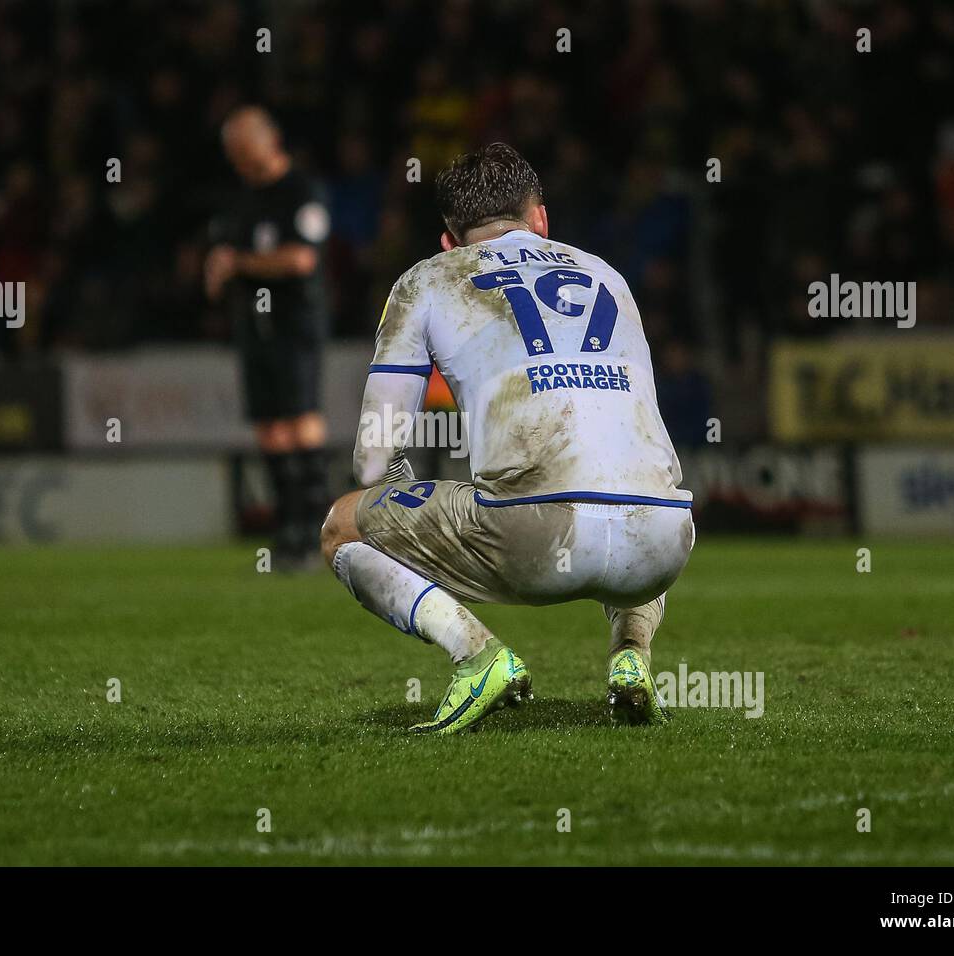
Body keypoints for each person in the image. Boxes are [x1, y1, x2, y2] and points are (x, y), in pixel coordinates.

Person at [320, 143, 694, 734]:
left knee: (342, 526)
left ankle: (479, 658)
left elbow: (373, 455)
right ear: (540, 219)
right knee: (621, 474)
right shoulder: (608, 275)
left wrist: (394, 485)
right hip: (664, 541)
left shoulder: (429, 278)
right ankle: (632, 655)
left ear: (450, 242)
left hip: (535, 540)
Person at [206, 106, 332, 566]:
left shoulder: (301, 190)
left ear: (266, 141)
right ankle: (289, 529)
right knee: (268, 425)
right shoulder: (244, 198)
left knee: (301, 418)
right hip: (253, 328)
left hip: (295, 325)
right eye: (231, 153)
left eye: (241, 149)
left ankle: (319, 528)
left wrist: (238, 264)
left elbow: (301, 260)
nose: (236, 159)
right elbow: (228, 250)